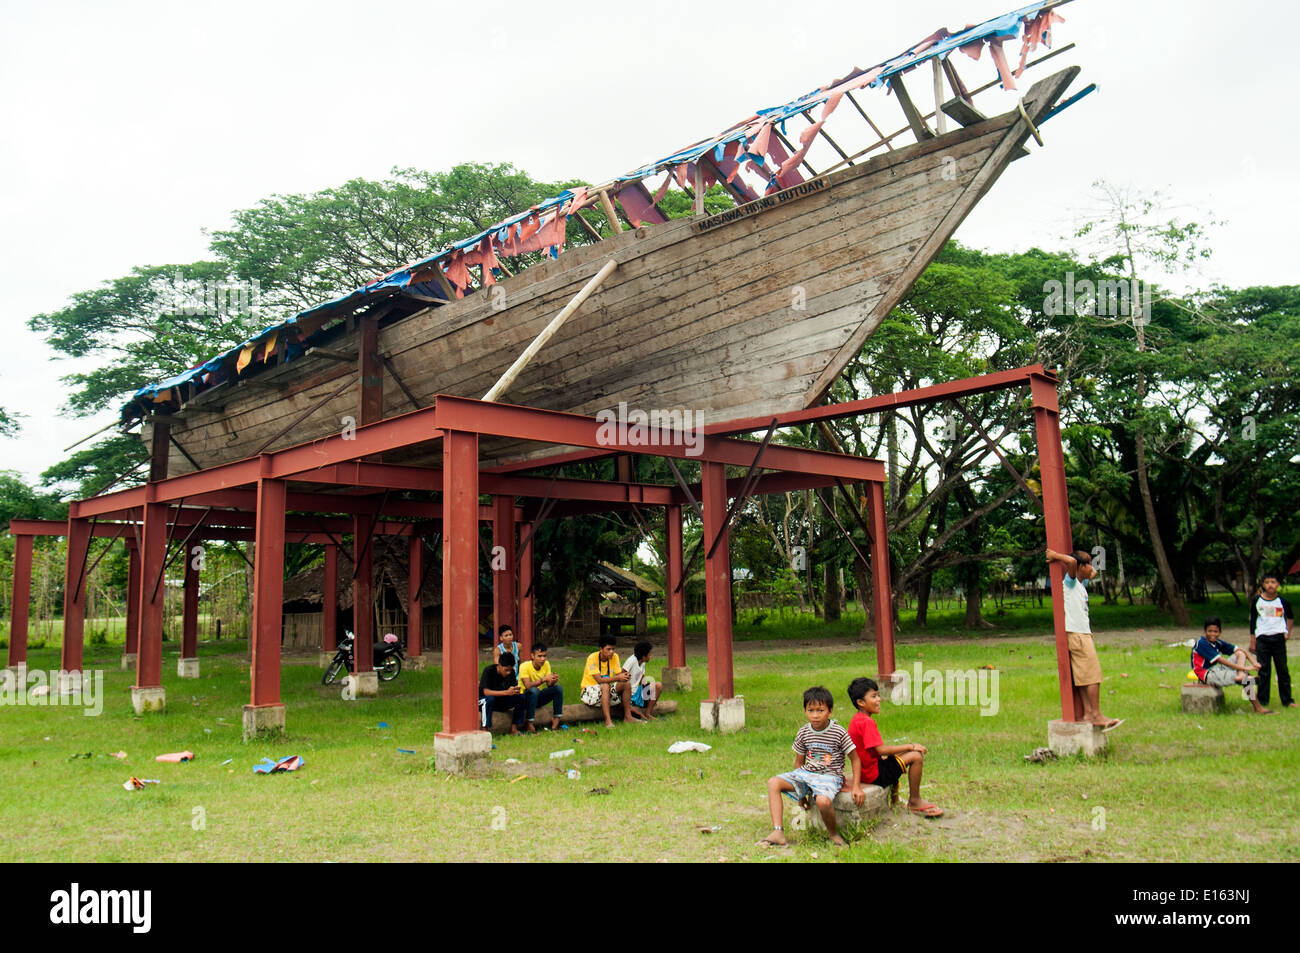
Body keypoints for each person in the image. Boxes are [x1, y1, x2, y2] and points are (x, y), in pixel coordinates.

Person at [759, 686, 863, 849]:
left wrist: (856, 786)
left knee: (822, 801)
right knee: (773, 782)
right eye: (811, 710)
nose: (815, 715)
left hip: (830, 776)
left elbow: (855, 760)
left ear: (830, 711)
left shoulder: (838, 732)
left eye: (820, 710)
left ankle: (833, 834)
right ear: (805, 711)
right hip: (806, 773)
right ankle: (778, 831)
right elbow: (799, 762)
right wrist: (801, 795)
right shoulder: (804, 732)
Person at [1045, 547, 1121, 730]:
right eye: (1088, 564)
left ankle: (1088, 713)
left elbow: (1091, 572)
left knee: (1084, 677)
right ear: (1081, 566)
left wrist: (1088, 571)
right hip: (1078, 634)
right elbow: (1071, 562)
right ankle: (1096, 714)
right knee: (1093, 676)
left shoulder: (1079, 585)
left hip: (1080, 633)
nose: (1092, 568)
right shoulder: (1069, 583)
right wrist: (1055, 556)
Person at [847, 677, 943, 816]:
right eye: (873, 696)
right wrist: (910, 746)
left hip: (867, 770)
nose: (879, 699)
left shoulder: (857, 719)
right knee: (916, 757)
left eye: (878, 695)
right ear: (861, 702)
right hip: (873, 775)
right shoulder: (866, 722)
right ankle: (915, 801)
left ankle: (895, 800)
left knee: (894, 758)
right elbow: (881, 749)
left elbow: (875, 750)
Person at [1192, 617, 1270, 714]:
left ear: (1220, 632)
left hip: (1216, 669)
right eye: (1210, 631)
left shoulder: (1218, 642)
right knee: (1248, 679)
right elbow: (1221, 660)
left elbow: (1241, 650)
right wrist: (1245, 668)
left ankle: (1241, 675)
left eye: (1215, 631)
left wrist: (1254, 662)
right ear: (1205, 631)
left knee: (1240, 654)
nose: (1212, 634)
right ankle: (1258, 708)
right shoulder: (1202, 643)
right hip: (1206, 673)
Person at [1249, 573, 1294, 709]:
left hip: (1278, 637)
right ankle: (1262, 700)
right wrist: (1253, 640)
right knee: (1263, 670)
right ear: (1263, 584)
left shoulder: (1283, 601)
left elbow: (1290, 617)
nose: (1270, 585)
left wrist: (1287, 632)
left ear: (1278, 584)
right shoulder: (1257, 600)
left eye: (1273, 582)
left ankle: (1287, 700)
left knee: (1282, 669)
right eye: (1267, 582)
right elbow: (1253, 621)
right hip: (1262, 638)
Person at [579, 634, 630, 728]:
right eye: (608, 649)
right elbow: (599, 680)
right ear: (601, 649)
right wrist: (618, 678)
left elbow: (618, 674)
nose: (612, 652)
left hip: (606, 690)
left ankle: (628, 717)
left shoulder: (615, 657)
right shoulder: (592, 658)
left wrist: (624, 676)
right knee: (605, 685)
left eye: (613, 649)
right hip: (589, 691)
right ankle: (608, 721)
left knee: (626, 684)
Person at [517, 642, 564, 731]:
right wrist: (544, 679)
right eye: (539, 656)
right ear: (532, 656)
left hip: (537, 697)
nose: (543, 659)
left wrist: (553, 681)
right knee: (534, 690)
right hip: (525, 698)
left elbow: (549, 685)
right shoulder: (524, 666)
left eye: (544, 656)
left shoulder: (546, 664)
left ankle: (556, 719)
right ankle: (529, 723)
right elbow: (527, 686)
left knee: (558, 689)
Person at [479, 653, 526, 735]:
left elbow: (512, 688)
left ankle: (514, 728)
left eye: (510, 670)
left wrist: (515, 691)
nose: (508, 672)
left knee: (521, 698)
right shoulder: (489, 671)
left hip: (501, 700)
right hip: (484, 701)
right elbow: (485, 692)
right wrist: (506, 692)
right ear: (499, 665)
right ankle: (484, 729)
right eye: (506, 670)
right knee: (490, 699)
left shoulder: (511, 673)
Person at [622, 641, 662, 721]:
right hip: (629, 693)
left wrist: (651, 694)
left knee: (658, 686)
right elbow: (622, 674)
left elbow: (642, 679)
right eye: (649, 654)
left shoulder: (642, 663)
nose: (651, 656)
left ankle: (648, 713)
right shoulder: (631, 660)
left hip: (637, 691)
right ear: (643, 656)